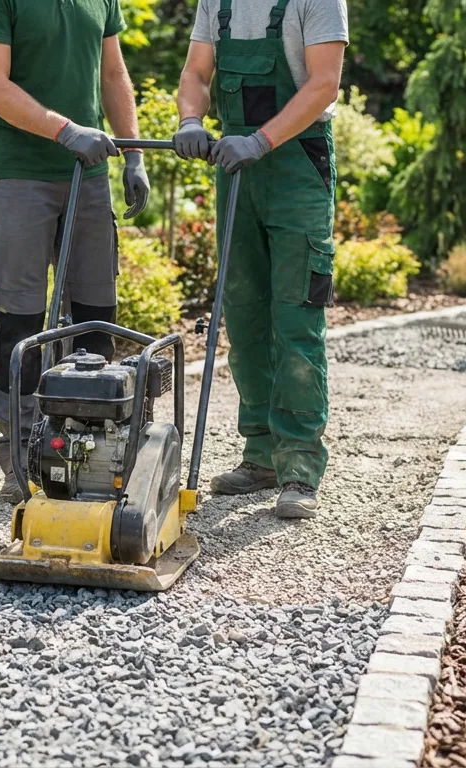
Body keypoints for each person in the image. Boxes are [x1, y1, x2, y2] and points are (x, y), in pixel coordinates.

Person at [0, 0, 151, 503]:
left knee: (95, 320)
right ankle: (21, 458)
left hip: (88, 179)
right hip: (20, 178)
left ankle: (87, 448)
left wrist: (132, 154)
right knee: (21, 323)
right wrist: (65, 131)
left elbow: (113, 74)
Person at [172, 0, 347, 518]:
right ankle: (261, 455)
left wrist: (263, 139)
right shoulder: (217, 2)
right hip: (238, 172)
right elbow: (197, 71)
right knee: (244, 315)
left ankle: (299, 466)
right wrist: (190, 117)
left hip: (296, 168)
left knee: (295, 316)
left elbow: (323, 84)